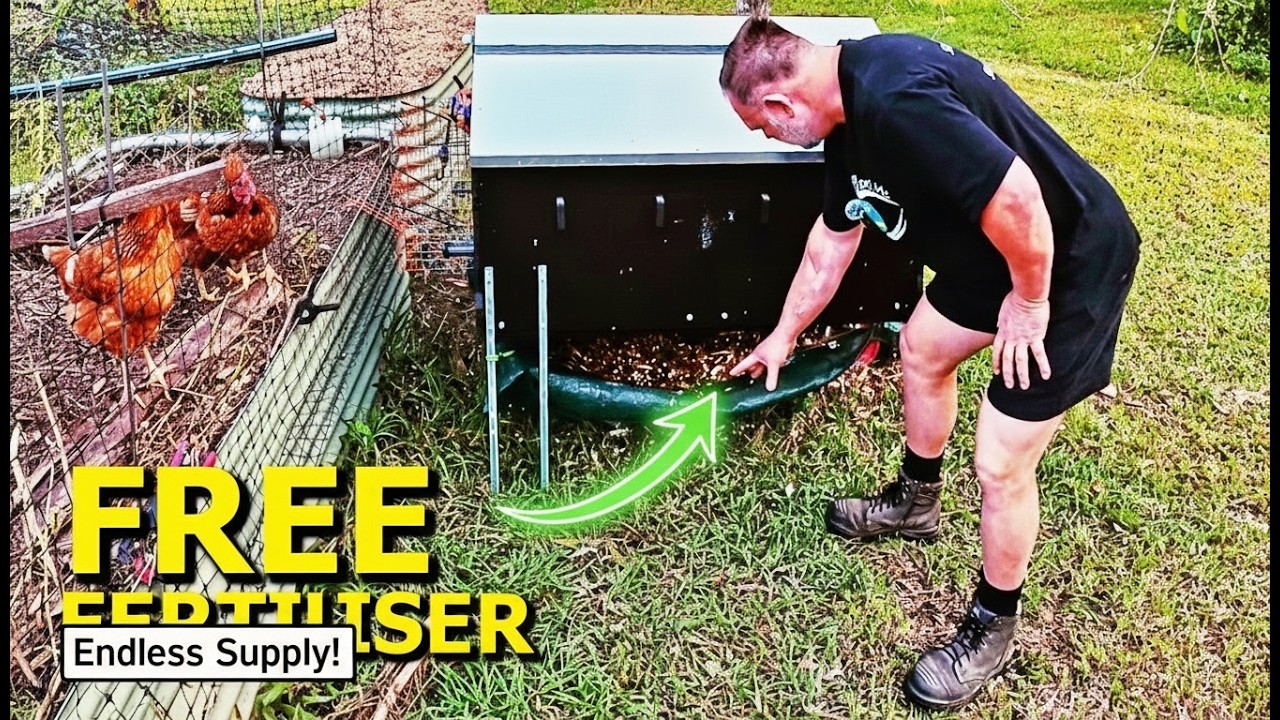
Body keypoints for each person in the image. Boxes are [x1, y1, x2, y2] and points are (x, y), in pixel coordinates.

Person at [720, 18, 1140, 710]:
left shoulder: (896, 96)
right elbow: (833, 239)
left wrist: (1031, 304)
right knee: (921, 348)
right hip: (994, 257)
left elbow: (1018, 199)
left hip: (1065, 263)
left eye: (761, 130)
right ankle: (916, 503)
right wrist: (783, 336)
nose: (768, 141)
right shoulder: (846, 114)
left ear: (780, 105)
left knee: (1001, 461)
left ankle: (992, 626)